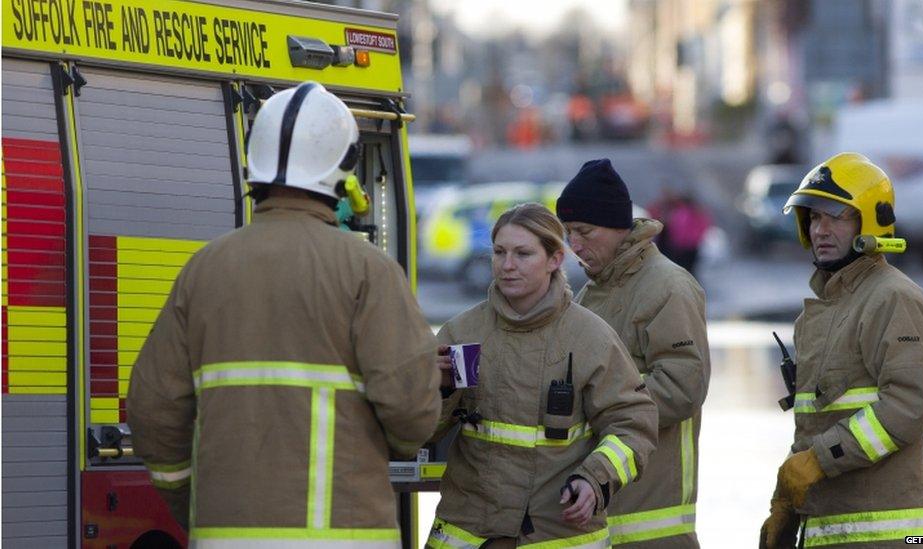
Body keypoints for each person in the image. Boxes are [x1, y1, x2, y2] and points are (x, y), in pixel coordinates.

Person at [127, 82, 441, 547]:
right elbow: (413, 414)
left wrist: (193, 501)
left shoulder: (203, 269)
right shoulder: (368, 270)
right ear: (342, 174)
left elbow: (153, 410)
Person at [427, 203, 658, 548]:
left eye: (523, 254)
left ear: (554, 260)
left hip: (558, 533)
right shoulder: (462, 333)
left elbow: (633, 424)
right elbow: (419, 434)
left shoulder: (589, 337)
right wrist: (437, 391)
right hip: (469, 532)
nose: (507, 266)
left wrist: (594, 480)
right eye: (499, 252)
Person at [760, 152, 923, 548]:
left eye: (835, 216)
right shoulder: (816, 315)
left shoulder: (894, 298)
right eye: (813, 217)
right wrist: (786, 502)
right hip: (828, 534)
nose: (821, 229)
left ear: (869, 220)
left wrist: (820, 460)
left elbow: (910, 404)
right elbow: (813, 424)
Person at [557, 159, 711, 548]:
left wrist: (597, 398)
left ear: (616, 226)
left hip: (652, 522)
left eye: (584, 231)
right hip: (599, 513)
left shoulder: (668, 287)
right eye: (569, 232)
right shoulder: (590, 293)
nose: (574, 245)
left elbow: (683, 387)